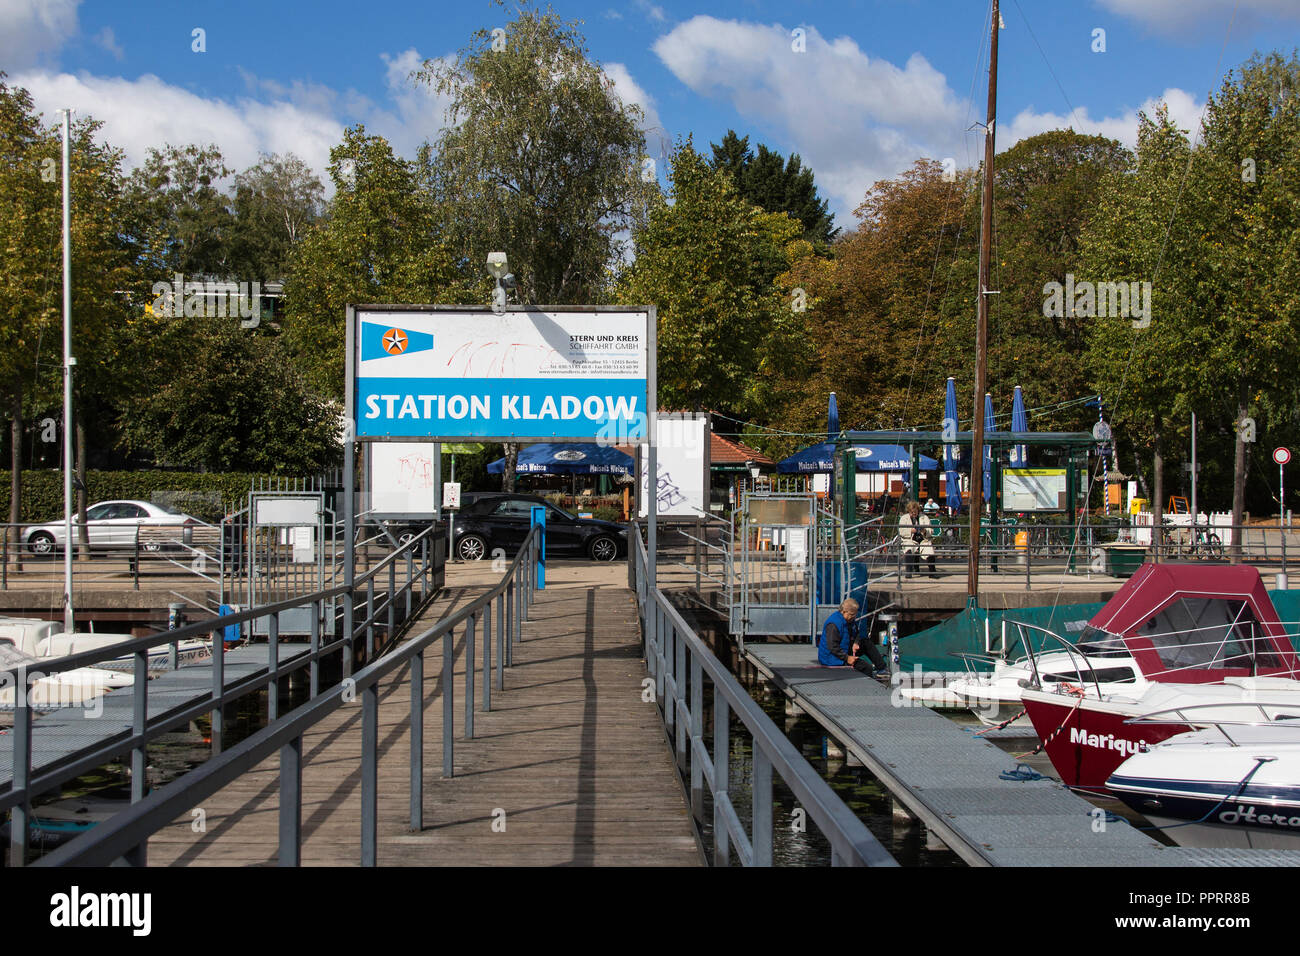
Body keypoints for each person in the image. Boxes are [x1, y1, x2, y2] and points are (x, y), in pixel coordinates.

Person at [816, 598, 888, 679]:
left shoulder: (849, 619)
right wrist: (847, 658)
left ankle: (882, 668)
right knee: (866, 668)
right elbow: (832, 646)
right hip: (832, 658)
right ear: (844, 612)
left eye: (855, 615)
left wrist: (856, 643)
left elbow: (856, 632)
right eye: (852, 614)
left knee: (865, 642)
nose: (854, 617)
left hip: (844, 649)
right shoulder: (833, 624)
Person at [899, 499, 938, 577]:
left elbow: (931, 530)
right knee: (909, 549)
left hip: (923, 539)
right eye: (912, 512)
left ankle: (932, 572)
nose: (914, 514)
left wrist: (925, 530)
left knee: (929, 550)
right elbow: (901, 531)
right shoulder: (904, 518)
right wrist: (910, 531)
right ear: (909, 511)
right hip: (910, 540)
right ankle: (909, 572)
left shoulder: (924, 517)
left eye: (915, 512)